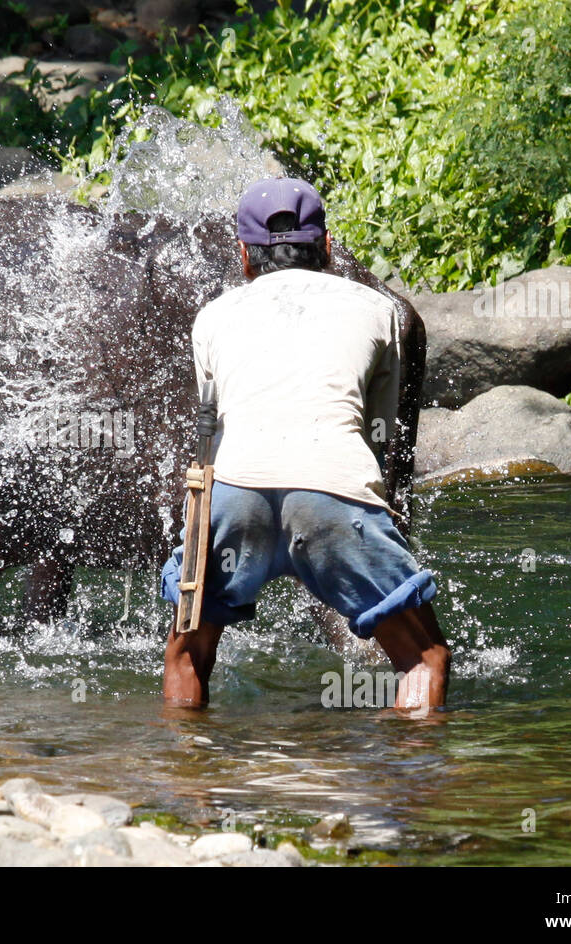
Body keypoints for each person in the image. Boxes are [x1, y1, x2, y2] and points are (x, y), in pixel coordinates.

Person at [159, 178, 450, 711]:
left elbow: (211, 426)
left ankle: (191, 783)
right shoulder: (379, 309)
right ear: (330, 249)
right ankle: (406, 787)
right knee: (424, 659)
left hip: (233, 491)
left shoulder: (211, 318)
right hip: (334, 490)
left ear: (243, 255)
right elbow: (375, 432)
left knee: (186, 655)